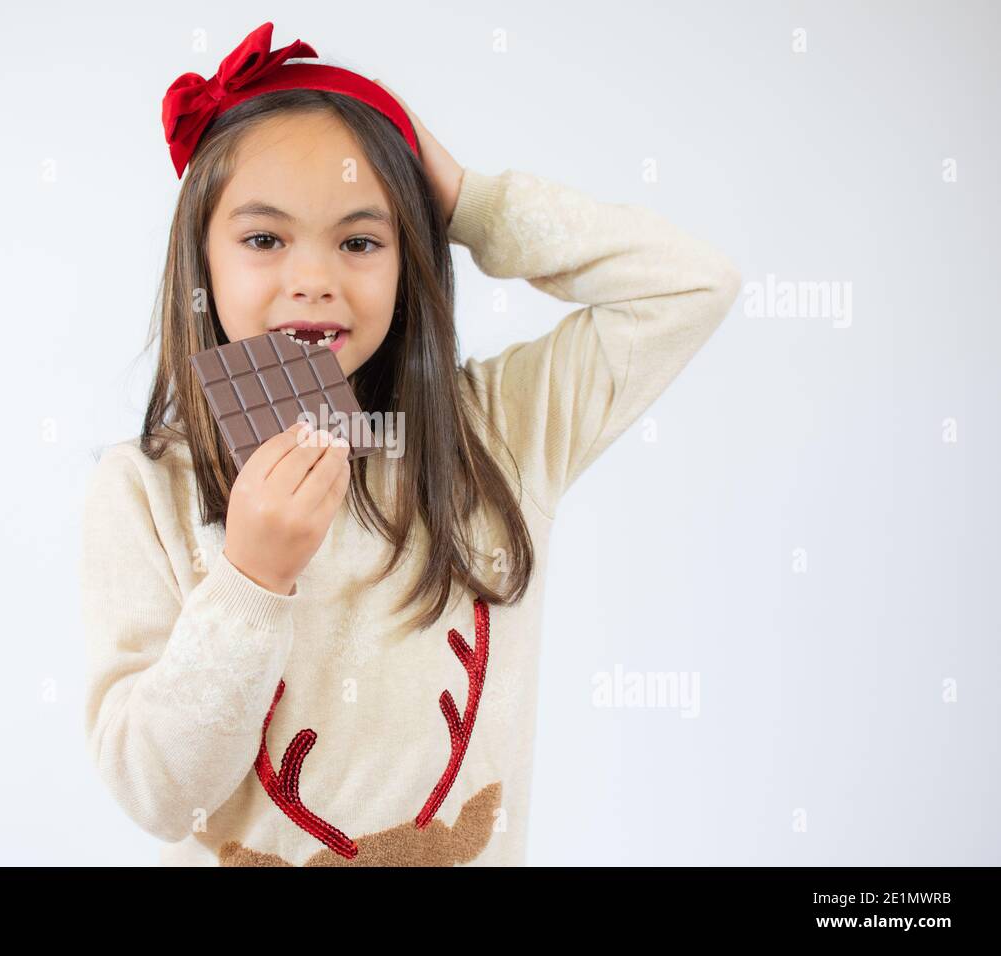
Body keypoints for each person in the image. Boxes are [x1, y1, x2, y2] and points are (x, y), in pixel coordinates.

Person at [80, 21, 740, 866]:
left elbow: (693, 285)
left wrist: (472, 199)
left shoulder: (504, 430)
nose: (314, 277)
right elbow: (159, 796)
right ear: (200, 263)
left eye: (360, 240)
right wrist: (249, 580)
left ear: (411, 256)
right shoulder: (141, 490)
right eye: (263, 238)